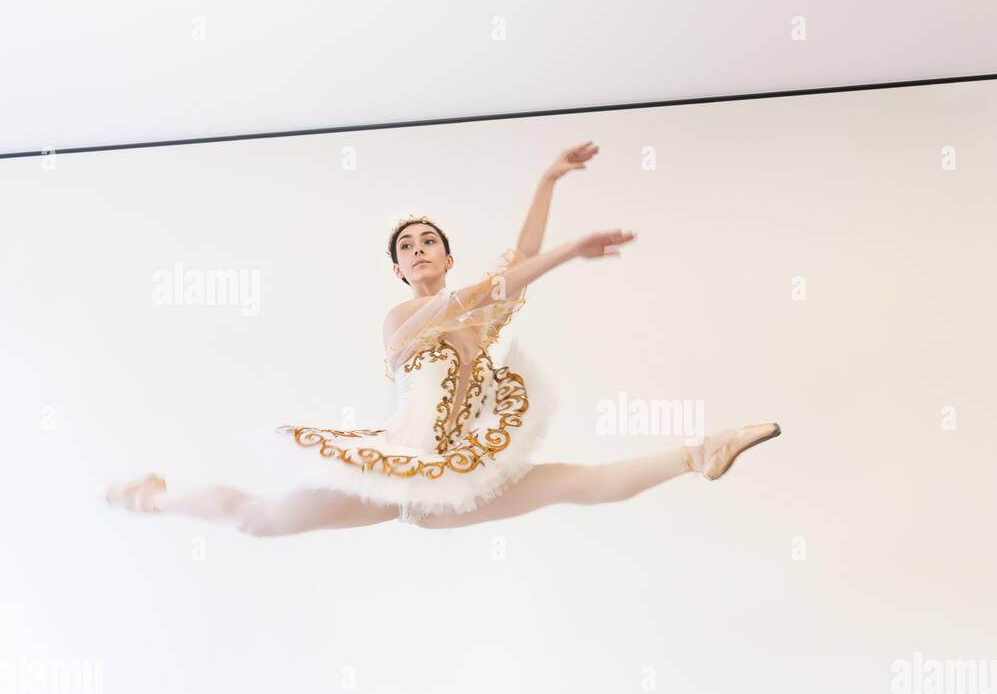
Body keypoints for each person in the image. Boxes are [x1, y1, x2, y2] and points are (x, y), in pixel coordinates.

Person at [102, 142, 781, 536]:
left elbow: (513, 262)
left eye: (430, 241)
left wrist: (547, 181)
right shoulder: (402, 322)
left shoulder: (482, 316)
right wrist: (570, 251)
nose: (419, 248)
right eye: (407, 246)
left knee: (579, 482)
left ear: (448, 256)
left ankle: (700, 452)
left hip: (462, 474)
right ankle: (151, 497)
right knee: (257, 519)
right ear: (397, 269)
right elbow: (492, 287)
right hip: (396, 466)